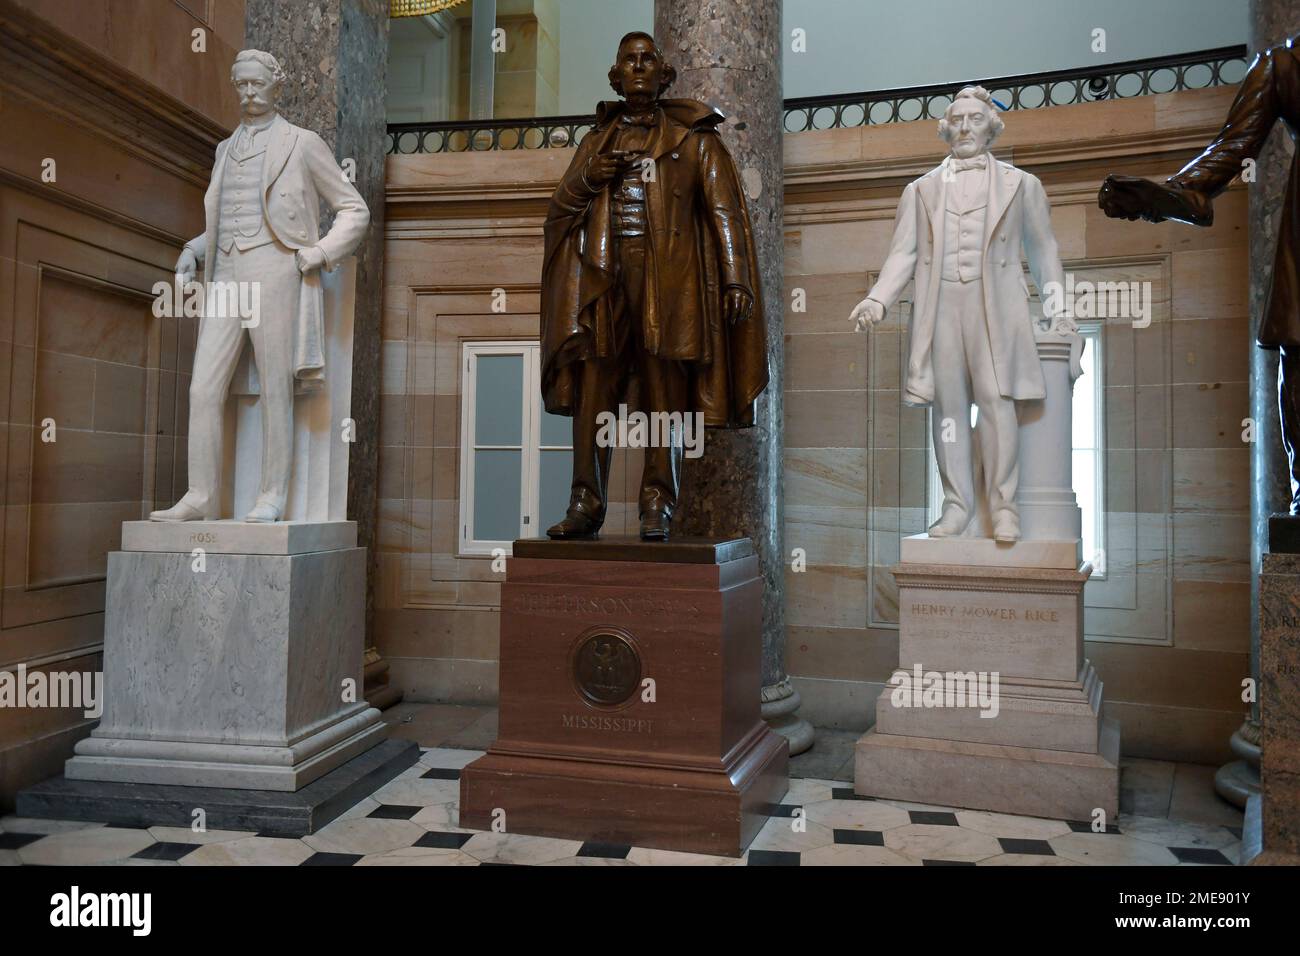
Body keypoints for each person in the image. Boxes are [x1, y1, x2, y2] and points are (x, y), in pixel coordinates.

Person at [540, 31, 767, 541]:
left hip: (670, 282)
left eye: (648, 60)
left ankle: (657, 504)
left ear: (664, 76)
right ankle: (585, 503)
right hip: (604, 279)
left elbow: (725, 211)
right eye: (629, 60)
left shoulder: (694, 138)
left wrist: (735, 277)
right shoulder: (595, 142)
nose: (639, 67)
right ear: (615, 77)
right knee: (593, 390)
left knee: (665, 396)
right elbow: (558, 212)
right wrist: (589, 177)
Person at [150, 49, 369, 523]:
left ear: (277, 84)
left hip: (276, 268)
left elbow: (355, 209)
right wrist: (195, 249)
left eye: (258, 84)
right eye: (242, 85)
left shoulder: (302, 143)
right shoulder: (224, 149)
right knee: (204, 387)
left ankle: (271, 495)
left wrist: (317, 253)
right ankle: (200, 495)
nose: (249, 94)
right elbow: (226, 218)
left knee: (275, 387)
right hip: (226, 273)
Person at [850, 86, 1068, 542]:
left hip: (996, 306)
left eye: (975, 118)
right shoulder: (920, 190)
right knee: (948, 408)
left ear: (991, 127)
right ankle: (956, 506)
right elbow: (903, 255)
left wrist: (1058, 307)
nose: (965, 126)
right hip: (941, 305)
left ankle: (1004, 507)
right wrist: (878, 298)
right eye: (958, 119)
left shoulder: (1022, 184)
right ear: (946, 129)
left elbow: (1044, 247)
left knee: (996, 399)